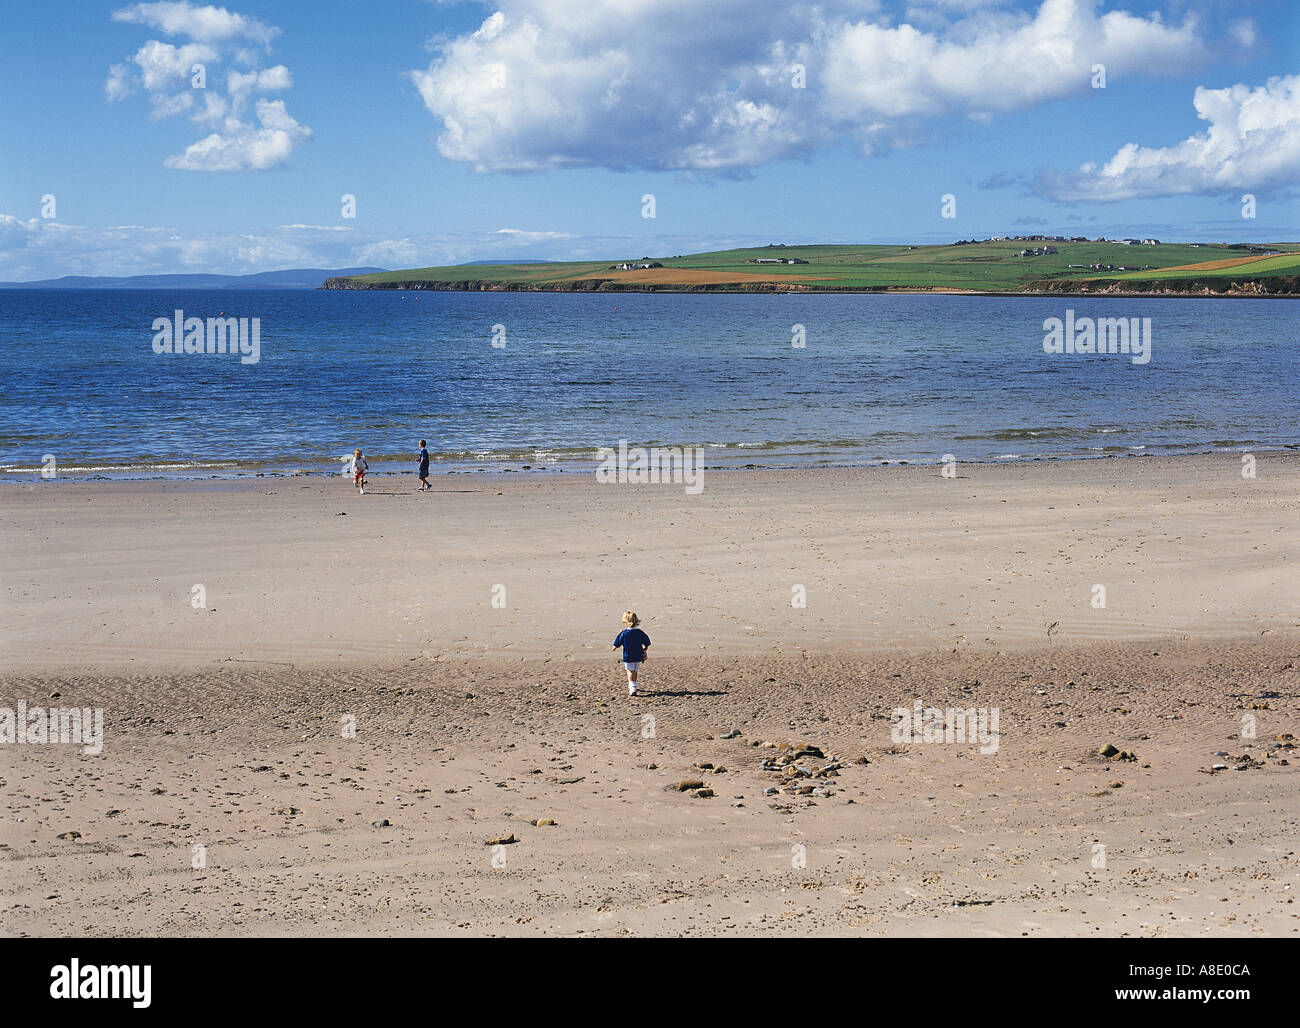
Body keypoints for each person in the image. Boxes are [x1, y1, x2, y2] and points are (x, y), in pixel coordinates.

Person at [612, 610, 651, 697]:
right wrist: (645, 647)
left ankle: (632, 687)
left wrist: (615, 646)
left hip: (628, 656)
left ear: (625, 622)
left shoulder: (624, 633)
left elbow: (618, 640)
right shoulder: (639, 632)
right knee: (635, 671)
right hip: (638, 656)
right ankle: (634, 684)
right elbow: (646, 640)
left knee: (629, 672)